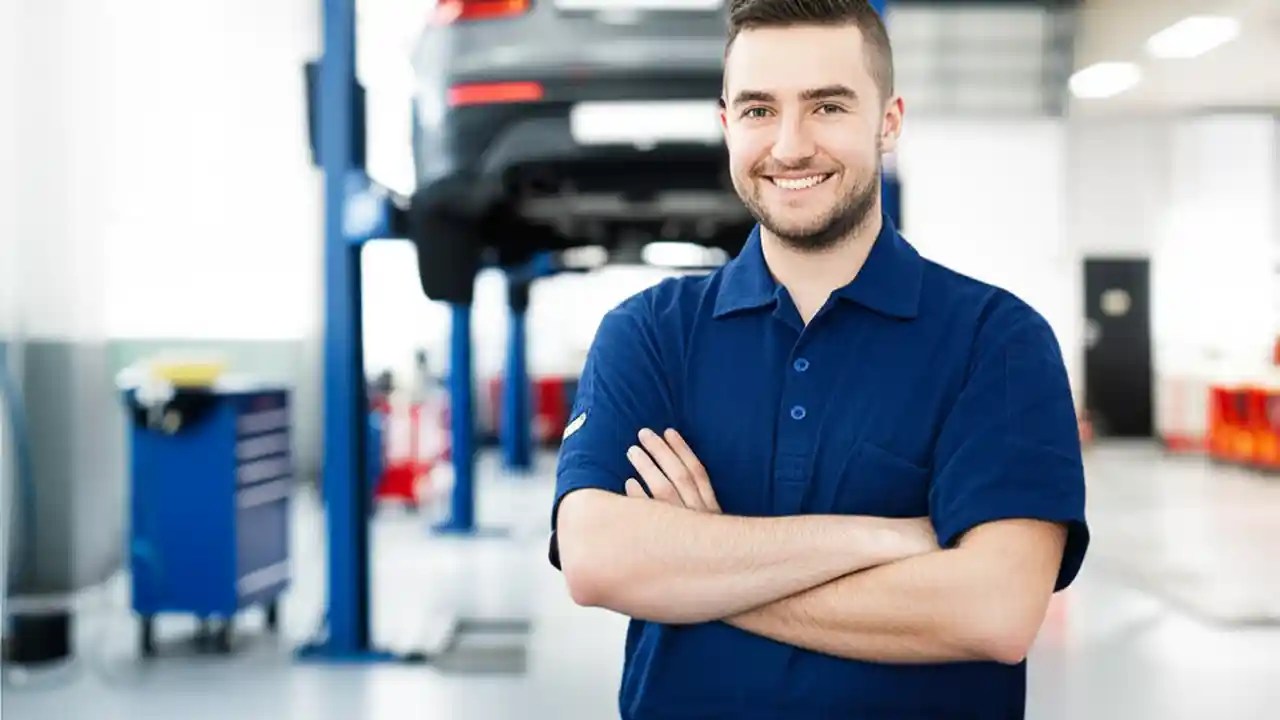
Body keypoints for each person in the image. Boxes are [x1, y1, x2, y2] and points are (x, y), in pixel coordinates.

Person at [548, 1, 1089, 717]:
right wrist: (885, 539)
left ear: (888, 122)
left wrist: (696, 564)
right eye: (758, 110)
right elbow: (599, 562)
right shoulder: (648, 334)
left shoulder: (998, 341)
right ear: (726, 125)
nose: (791, 146)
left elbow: (994, 610)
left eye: (827, 106)